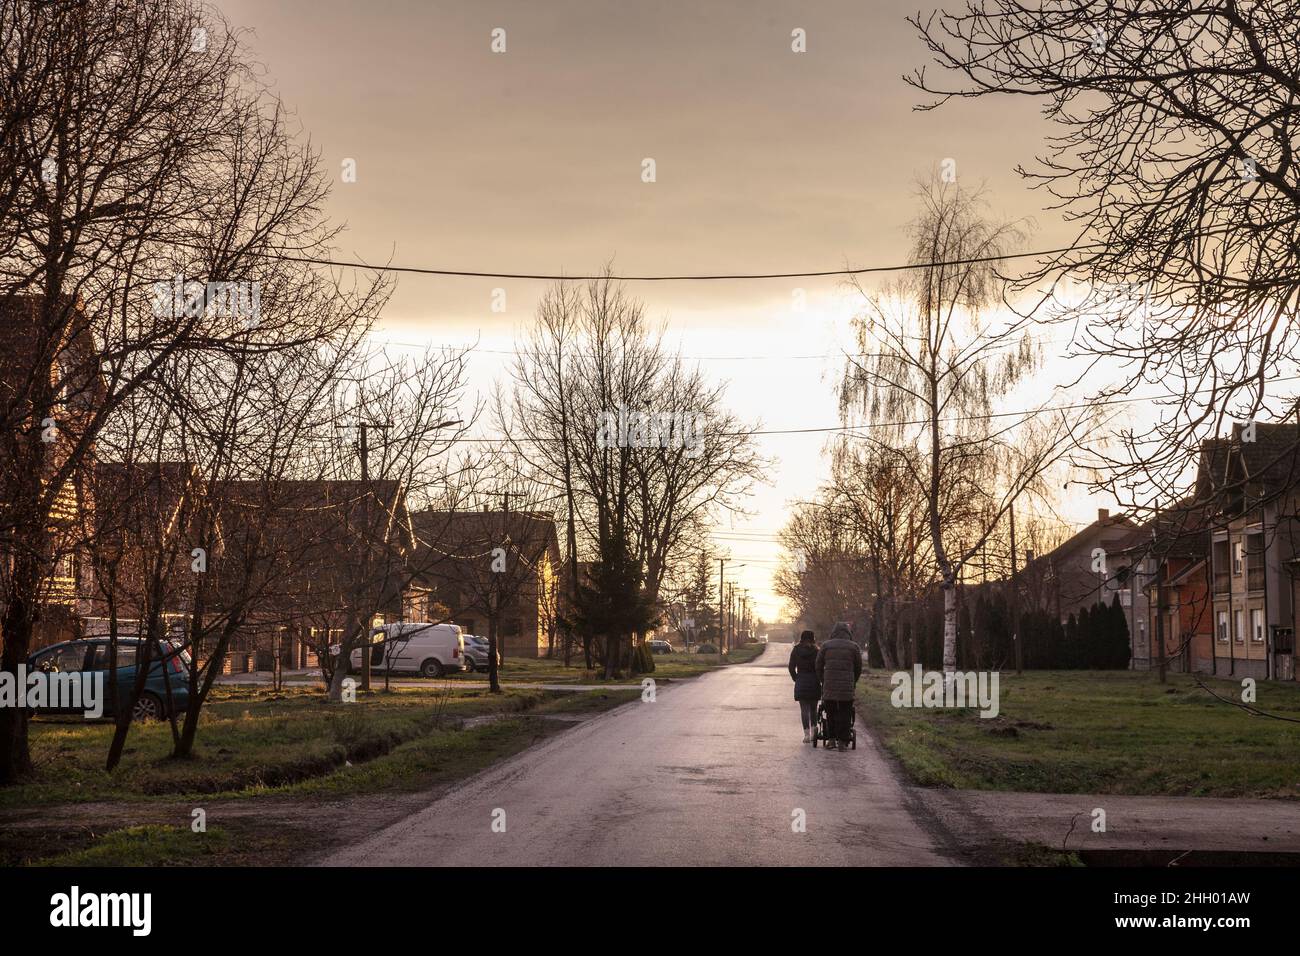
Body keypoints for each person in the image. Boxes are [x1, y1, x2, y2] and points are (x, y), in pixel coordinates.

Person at [815, 621, 861, 751]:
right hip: (847, 687)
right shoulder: (854, 647)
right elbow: (858, 667)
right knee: (845, 713)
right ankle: (842, 741)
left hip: (829, 686)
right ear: (848, 633)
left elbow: (818, 665)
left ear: (833, 632)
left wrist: (823, 680)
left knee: (831, 712)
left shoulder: (826, 646)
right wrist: (853, 681)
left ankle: (831, 739)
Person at [787, 630, 820, 743]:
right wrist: (820, 679)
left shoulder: (796, 650)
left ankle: (806, 735)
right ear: (812, 638)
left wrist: (796, 678)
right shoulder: (816, 651)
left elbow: (791, 667)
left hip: (801, 679)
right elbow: (820, 666)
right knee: (813, 709)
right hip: (814, 680)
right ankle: (814, 731)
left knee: (804, 709)